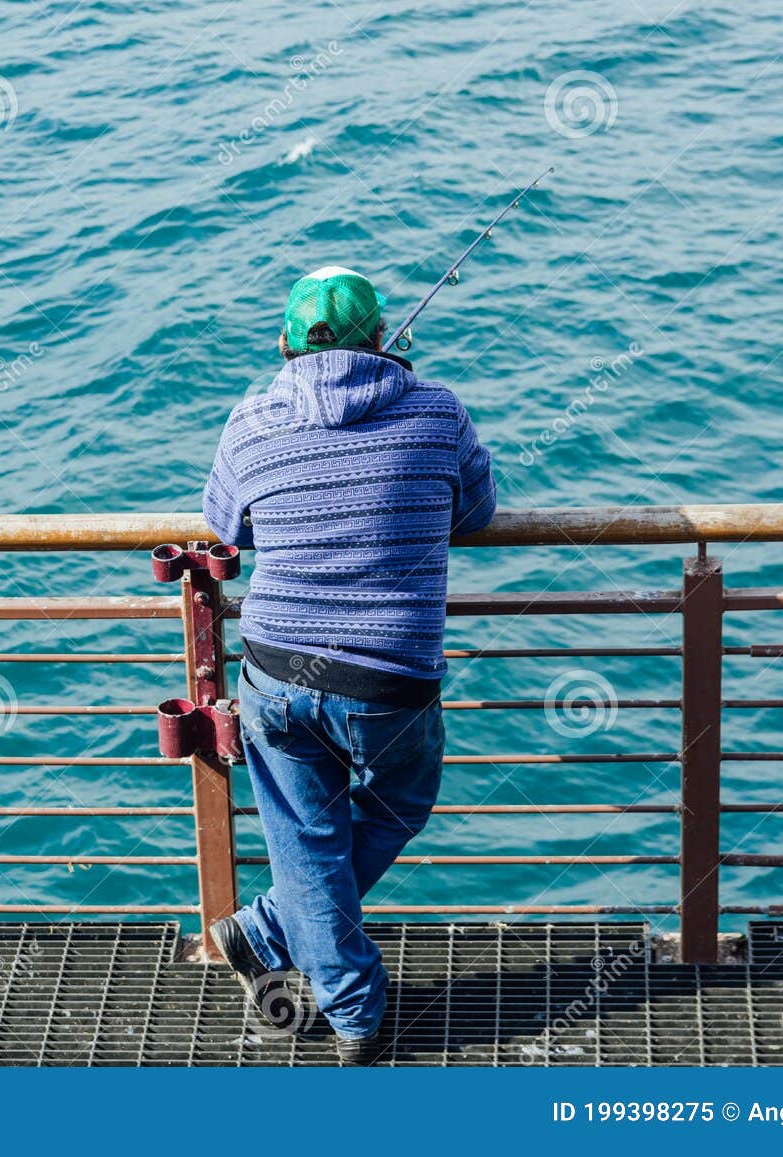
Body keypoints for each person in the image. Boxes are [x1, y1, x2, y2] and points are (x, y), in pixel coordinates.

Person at [201, 266, 497, 1065]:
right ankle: (354, 1009)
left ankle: (271, 928)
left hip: (275, 671)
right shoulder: (436, 411)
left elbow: (227, 526)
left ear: (284, 345)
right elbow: (476, 512)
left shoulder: (251, 421)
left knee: (307, 835)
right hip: (390, 680)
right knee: (399, 803)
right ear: (382, 340)